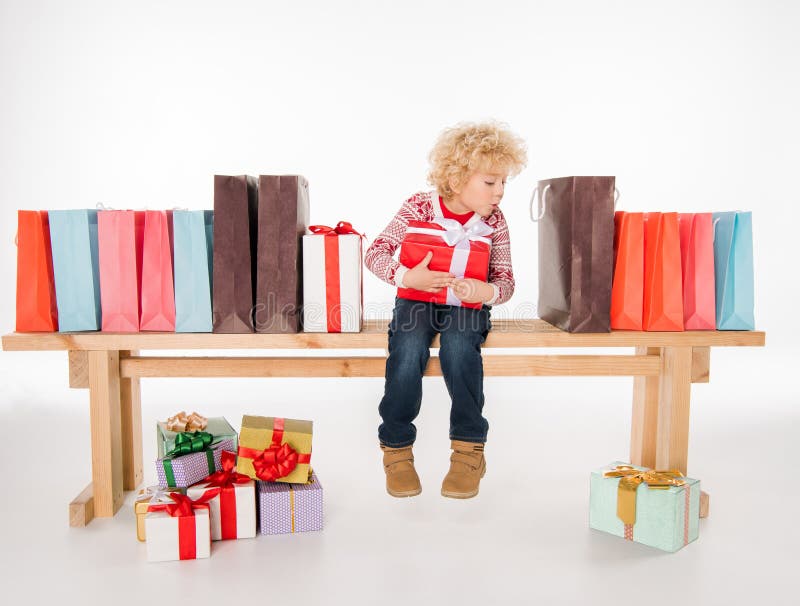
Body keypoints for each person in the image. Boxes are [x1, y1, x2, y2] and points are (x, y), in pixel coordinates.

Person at [364, 121, 527, 498]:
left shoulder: (494, 220)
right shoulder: (419, 206)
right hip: (416, 300)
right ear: (455, 179)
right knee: (407, 349)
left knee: (458, 347)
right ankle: (396, 449)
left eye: (504, 182)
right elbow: (376, 253)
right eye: (490, 182)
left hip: (466, 306)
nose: (500, 192)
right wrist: (407, 277)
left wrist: (484, 290)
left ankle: (469, 450)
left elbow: (505, 280)